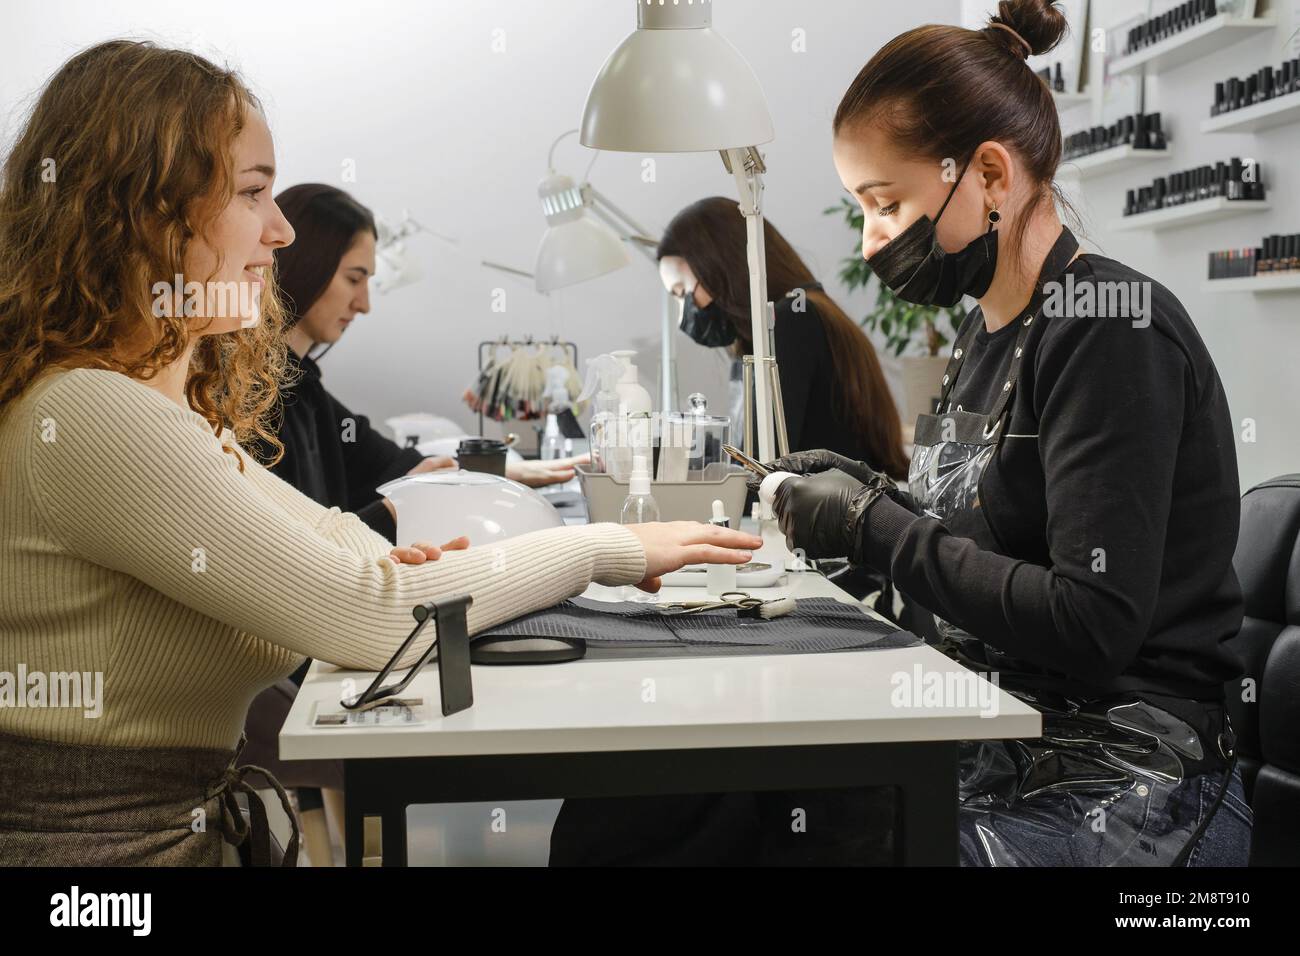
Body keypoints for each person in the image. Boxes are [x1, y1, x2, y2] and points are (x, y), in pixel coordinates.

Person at [0, 39, 761, 866]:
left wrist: (397, 573)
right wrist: (609, 549)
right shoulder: (91, 413)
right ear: (145, 211)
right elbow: (372, 612)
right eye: (254, 192)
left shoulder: (151, 405)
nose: (281, 230)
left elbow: (341, 543)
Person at [765, 0, 1252, 865]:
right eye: (862, 210)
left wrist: (876, 526)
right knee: (753, 809)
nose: (874, 239)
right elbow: (979, 530)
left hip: (1133, 778)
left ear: (989, 174)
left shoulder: (1111, 328)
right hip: (999, 731)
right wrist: (867, 491)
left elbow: (1091, 622)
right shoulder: (985, 328)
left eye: (886, 203)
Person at [261, 182, 582, 543]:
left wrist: (506, 472)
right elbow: (301, 551)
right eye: (354, 279)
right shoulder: (256, 397)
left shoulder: (304, 387)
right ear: (308, 264)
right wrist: (404, 504)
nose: (364, 304)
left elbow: (390, 463)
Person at [658, 197, 908, 479]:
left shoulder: (792, 321)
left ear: (718, 266)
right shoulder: (776, 328)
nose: (684, 315)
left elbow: (763, 472)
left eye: (682, 292)